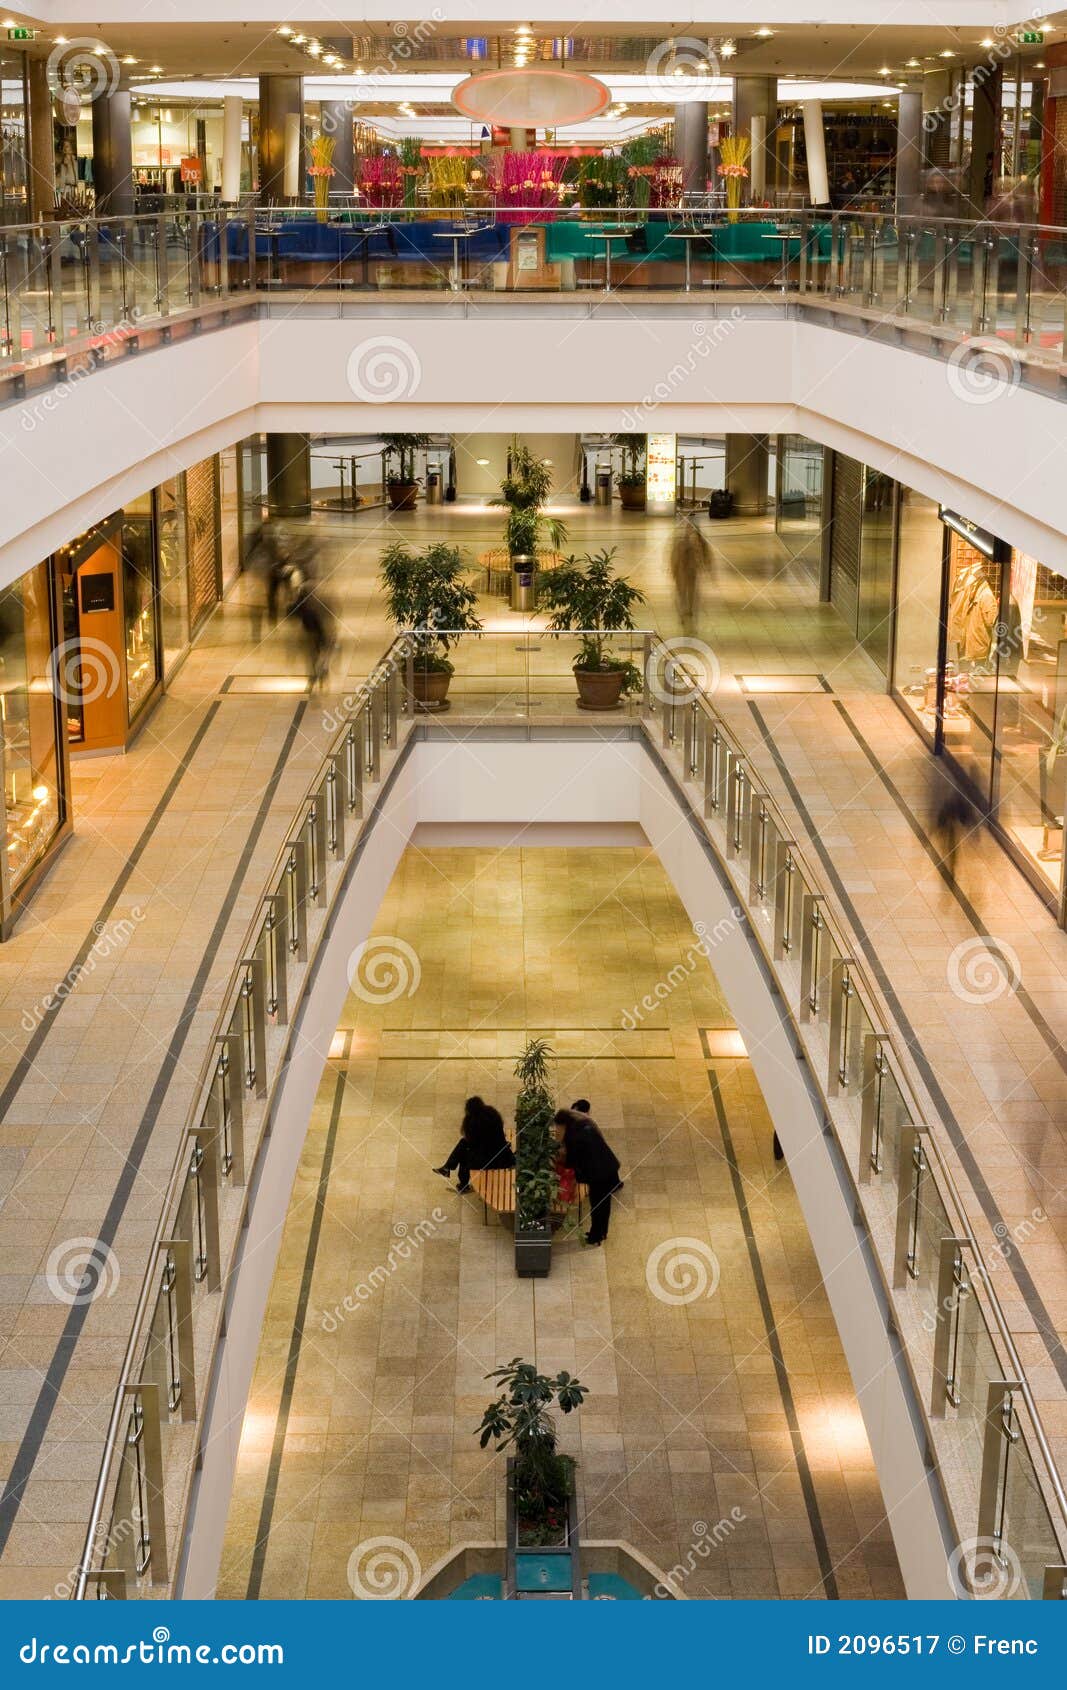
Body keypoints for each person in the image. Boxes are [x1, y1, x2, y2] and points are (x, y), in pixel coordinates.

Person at [554, 1108, 622, 1246]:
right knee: (604, 1204)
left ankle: (596, 1236)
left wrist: (559, 1155)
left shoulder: (573, 1137)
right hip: (608, 1167)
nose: (557, 1131)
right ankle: (601, 1233)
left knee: (597, 1207)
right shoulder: (582, 1125)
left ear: (564, 1125)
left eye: (558, 1128)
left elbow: (570, 1162)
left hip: (599, 1176)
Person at [434, 1096, 514, 1194]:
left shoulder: (472, 1122)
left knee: (464, 1154)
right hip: (501, 1155)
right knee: (464, 1145)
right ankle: (448, 1168)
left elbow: (473, 1144)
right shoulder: (492, 1113)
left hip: (490, 1161)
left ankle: (461, 1182)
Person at [668, 516, 712, 634]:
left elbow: (705, 554)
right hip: (681, 571)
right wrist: (673, 569)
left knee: (691, 592)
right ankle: (683, 612)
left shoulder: (698, 540)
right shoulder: (680, 541)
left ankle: (690, 610)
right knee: (682, 593)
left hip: (692, 571)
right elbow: (675, 556)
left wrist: (705, 565)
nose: (689, 530)